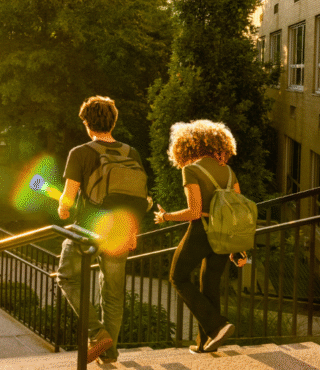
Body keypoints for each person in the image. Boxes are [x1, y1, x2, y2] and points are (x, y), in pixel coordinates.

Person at [56, 96, 147, 364]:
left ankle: (97, 334)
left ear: (87, 123)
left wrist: (63, 210)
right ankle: (109, 354)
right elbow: (136, 196)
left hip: (89, 230)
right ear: (113, 121)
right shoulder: (132, 153)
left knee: (66, 277)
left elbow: (68, 199)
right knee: (113, 294)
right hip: (121, 229)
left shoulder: (80, 152)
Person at [153, 119, 248, 354]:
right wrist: (239, 247)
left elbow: (194, 212)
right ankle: (206, 342)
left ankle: (217, 325)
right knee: (210, 285)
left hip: (202, 231)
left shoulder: (191, 169)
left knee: (178, 277)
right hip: (225, 234)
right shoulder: (228, 170)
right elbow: (237, 209)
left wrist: (166, 217)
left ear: (187, 146)